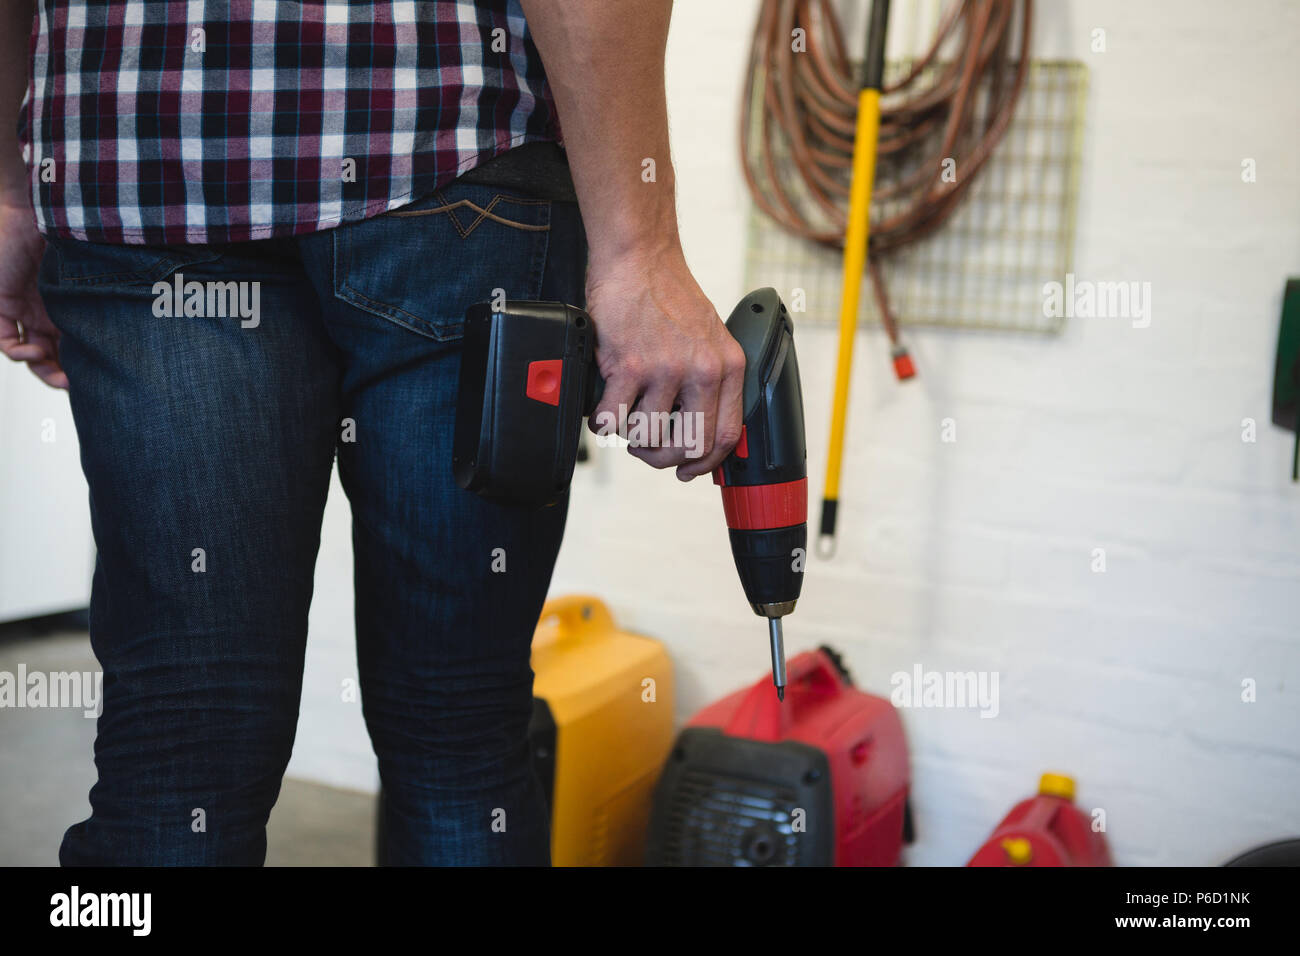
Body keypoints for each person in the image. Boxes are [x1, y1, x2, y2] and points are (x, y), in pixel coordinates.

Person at [0, 0, 744, 866]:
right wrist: (637, 248)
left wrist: (11, 188)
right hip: (444, 157)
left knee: (180, 737)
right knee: (457, 725)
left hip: (144, 158)